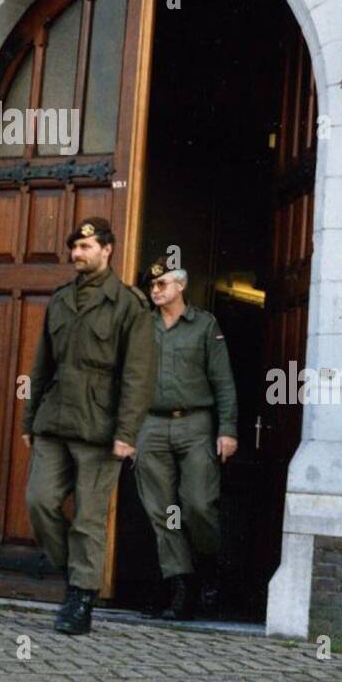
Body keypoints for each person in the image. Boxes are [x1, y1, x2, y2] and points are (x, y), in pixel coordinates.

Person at [23, 217, 157, 635]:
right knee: (39, 502)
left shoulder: (129, 305)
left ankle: (81, 599)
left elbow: (139, 376)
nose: (77, 254)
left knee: (88, 520)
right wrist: (30, 419)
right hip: (54, 421)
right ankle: (76, 575)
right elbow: (42, 363)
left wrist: (126, 434)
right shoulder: (61, 300)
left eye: (86, 247)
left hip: (100, 429)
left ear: (107, 250)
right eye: (74, 249)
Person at [134, 259, 238, 620]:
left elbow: (223, 380)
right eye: (152, 286)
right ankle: (182, 588)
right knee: (162, 511)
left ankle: (209, 567)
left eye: (162, 283)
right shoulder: (141, 326)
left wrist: (227, 429)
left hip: (195, 424)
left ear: (180, 285)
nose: (156, 290)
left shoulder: (204, 325)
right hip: (150, 424)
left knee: (196, 504)